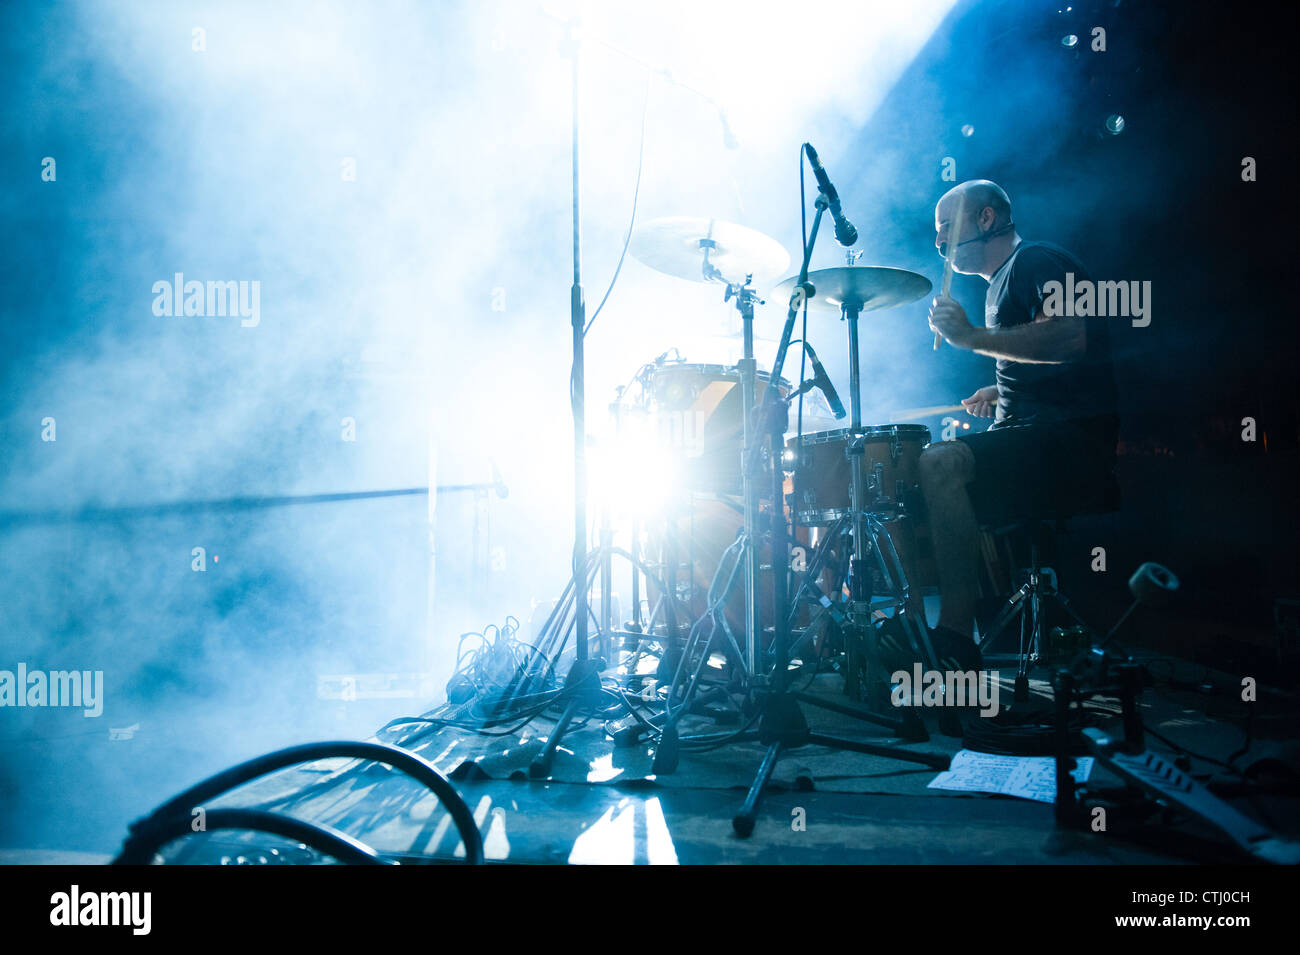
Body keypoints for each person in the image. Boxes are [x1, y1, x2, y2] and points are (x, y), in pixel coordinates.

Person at [919, 179, 1118, 670]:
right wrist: (1000, 391)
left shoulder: (1038, 261)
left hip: (1070, 442)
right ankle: (937, 621)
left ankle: (956, 635)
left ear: (987, 219)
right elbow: (1041, 359)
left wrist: (969, 336)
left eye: (947, 227)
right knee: (908, 474)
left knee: (940, 463)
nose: (939, 242)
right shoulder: (1002, 283)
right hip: (1038, 433)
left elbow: (1070, 336)